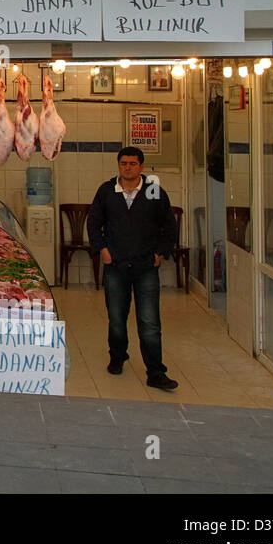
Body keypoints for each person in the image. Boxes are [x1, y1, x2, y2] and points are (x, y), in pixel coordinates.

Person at [87, 146, 180, 390]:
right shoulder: (107, 191)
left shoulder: (154, 193)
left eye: (132, 163)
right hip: (115, 266)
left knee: (149, 322)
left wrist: (160, 253)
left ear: (141, 166)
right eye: (123, 163)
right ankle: (117, 357)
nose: (127, 167)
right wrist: (103, 250)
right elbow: (93, 224)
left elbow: (170, 228)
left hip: (145, 267)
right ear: (118, 166)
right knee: (117, 318)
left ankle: (156, 372)